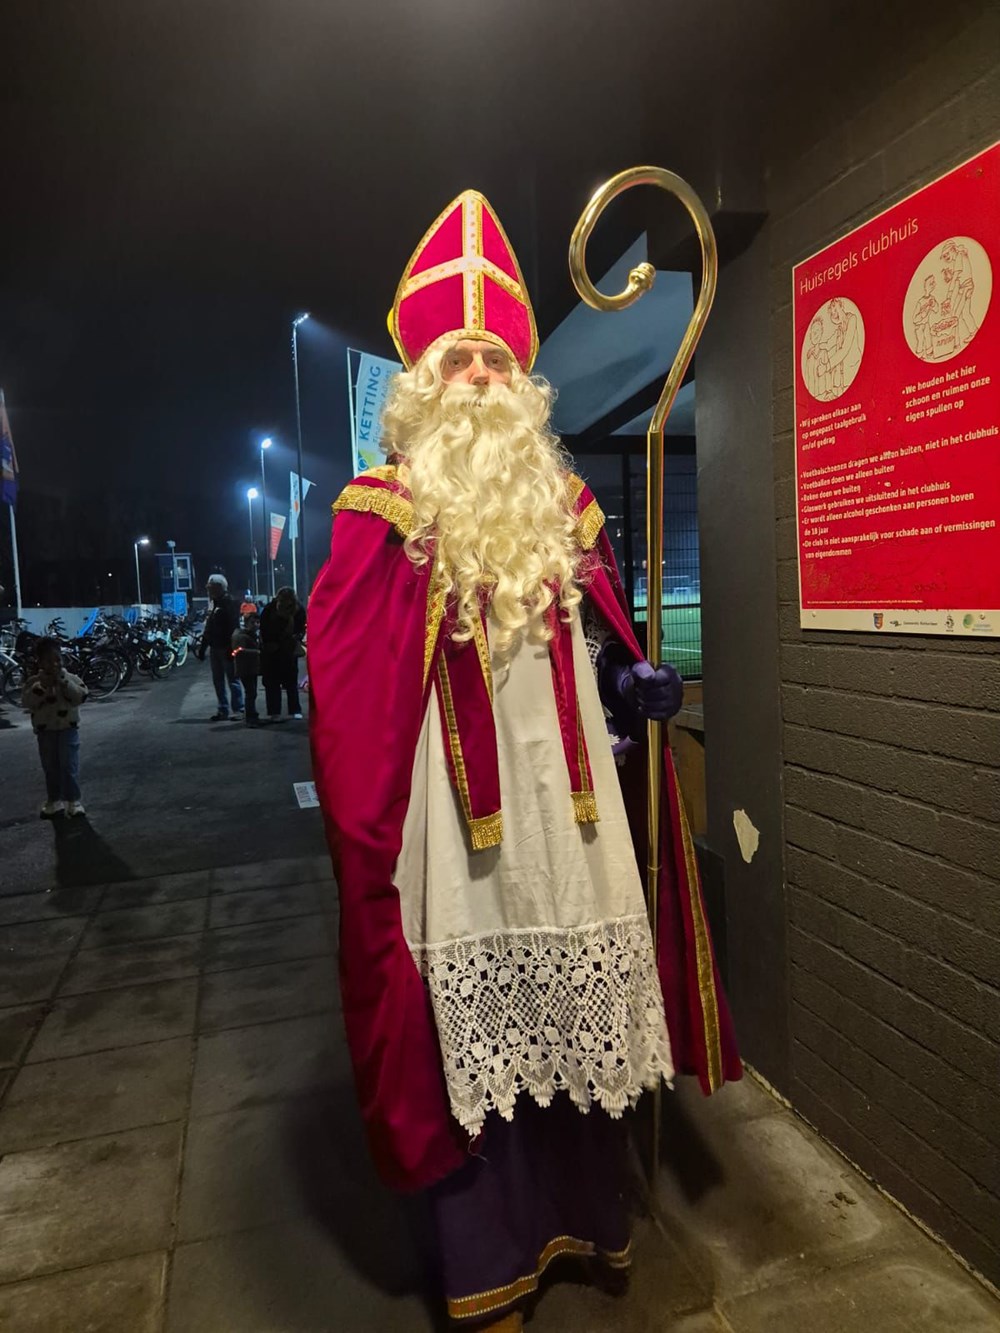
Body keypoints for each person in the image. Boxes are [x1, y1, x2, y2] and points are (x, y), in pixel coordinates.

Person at [308, 190, 740, 1330]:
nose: (485, 380)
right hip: (456, 837)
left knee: (574, 1048)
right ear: (421, 387)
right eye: (461, 361)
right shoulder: (383, 510)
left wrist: (628, 682)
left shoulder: (567, 510)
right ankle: (485, 1259)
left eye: (499, 361)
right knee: (472, 1058)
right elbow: (349, 698)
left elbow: (594, 643)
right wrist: (365, 856)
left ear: (525, 387)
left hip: (578, 825)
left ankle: (585, 1227)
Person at [21, 636, 88, 817]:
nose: (55, 664)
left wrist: (64, 682)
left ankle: (73, 800)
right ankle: (54, 800)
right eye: (49, 661)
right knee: (50, 767)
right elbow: (27, 702)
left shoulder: (71, 678)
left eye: (58, 659)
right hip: (46, 731)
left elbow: (80, 696)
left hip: (68, 729)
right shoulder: (34, 682)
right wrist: (41, 687)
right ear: (40, 662)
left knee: (69, 765)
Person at [198, 574, 244, 721]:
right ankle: (223, 709)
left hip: (225, 647)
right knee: (218, 680)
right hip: (216, 648)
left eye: (211, 588)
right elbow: (209, 628)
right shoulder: (215, 604)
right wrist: (204, 646)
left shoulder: (229, 603)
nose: (208, 591)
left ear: (219, 588)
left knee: (232, 679)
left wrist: (232, 648)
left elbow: (233, 627)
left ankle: (238, 709)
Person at [260, 586, 306, 720]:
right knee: (273, 682)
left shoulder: (297, 611)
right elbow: (264, 629)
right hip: (272, 650)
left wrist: (294, 637)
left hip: (288, 649)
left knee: (290, 680)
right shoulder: (270, 610)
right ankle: (275, 711)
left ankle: (294, 709)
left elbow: (301, 628)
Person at [231, 610, 261, 727]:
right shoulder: (241, 636)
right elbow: (238, 651)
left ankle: (252, 715)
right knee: (250, 692)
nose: (256, 625)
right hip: (245, 668)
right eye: (253, 622)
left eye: (258, 622)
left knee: (252, 692)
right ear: (247, 623)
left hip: (251, 667)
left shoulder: (252, 635)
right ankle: (250, 718)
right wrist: (257, 652)